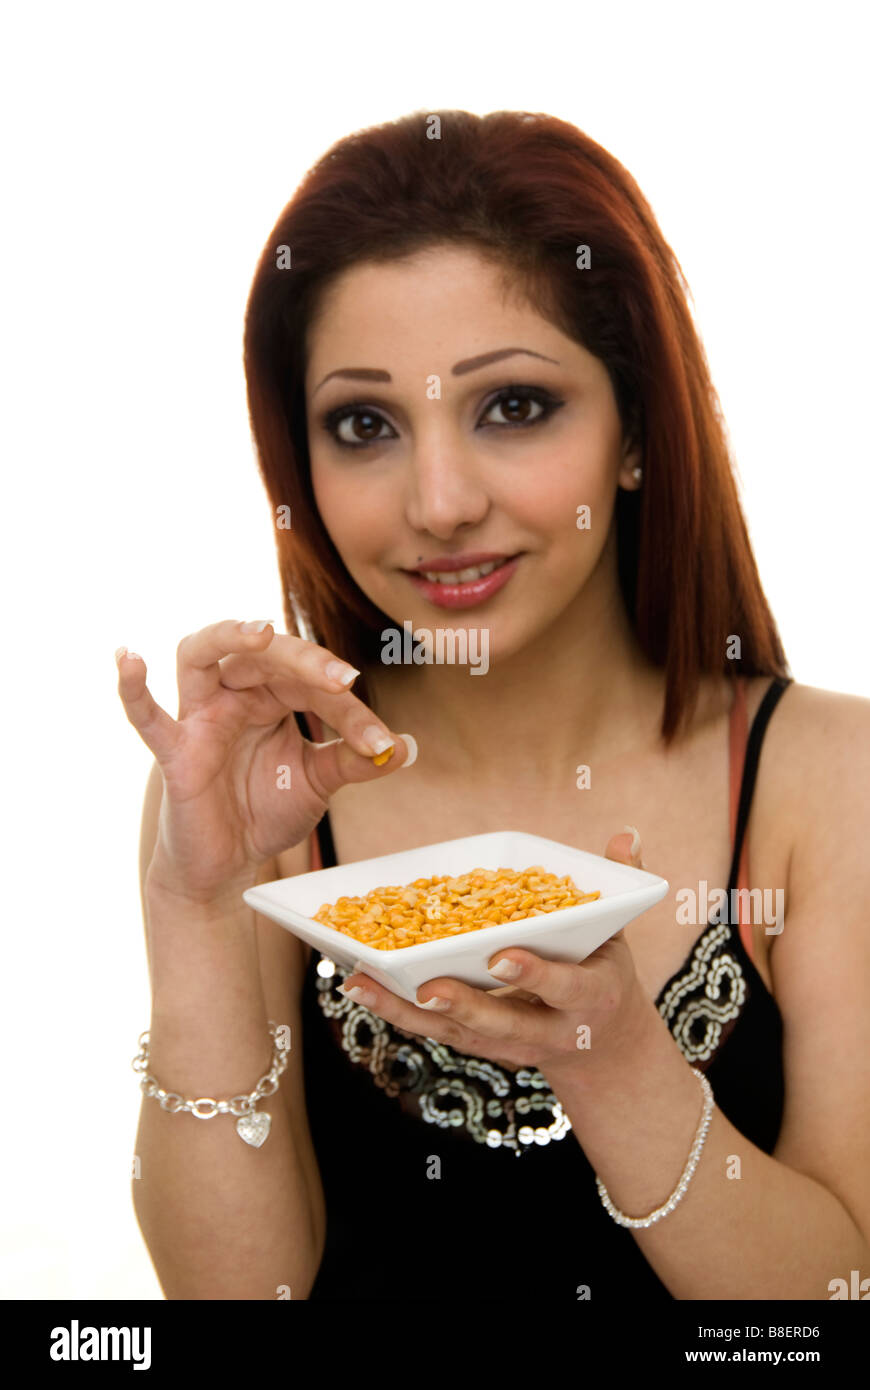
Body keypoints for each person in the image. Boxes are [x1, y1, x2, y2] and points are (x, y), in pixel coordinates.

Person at [118, 109, 870, 1302]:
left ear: (635, 428)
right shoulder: (264, 784)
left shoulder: (826, 779)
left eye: (512, 405)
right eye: (364, 424)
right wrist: (198, 905)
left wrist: (618, 1060)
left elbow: (841, 1299)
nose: (441, 501)